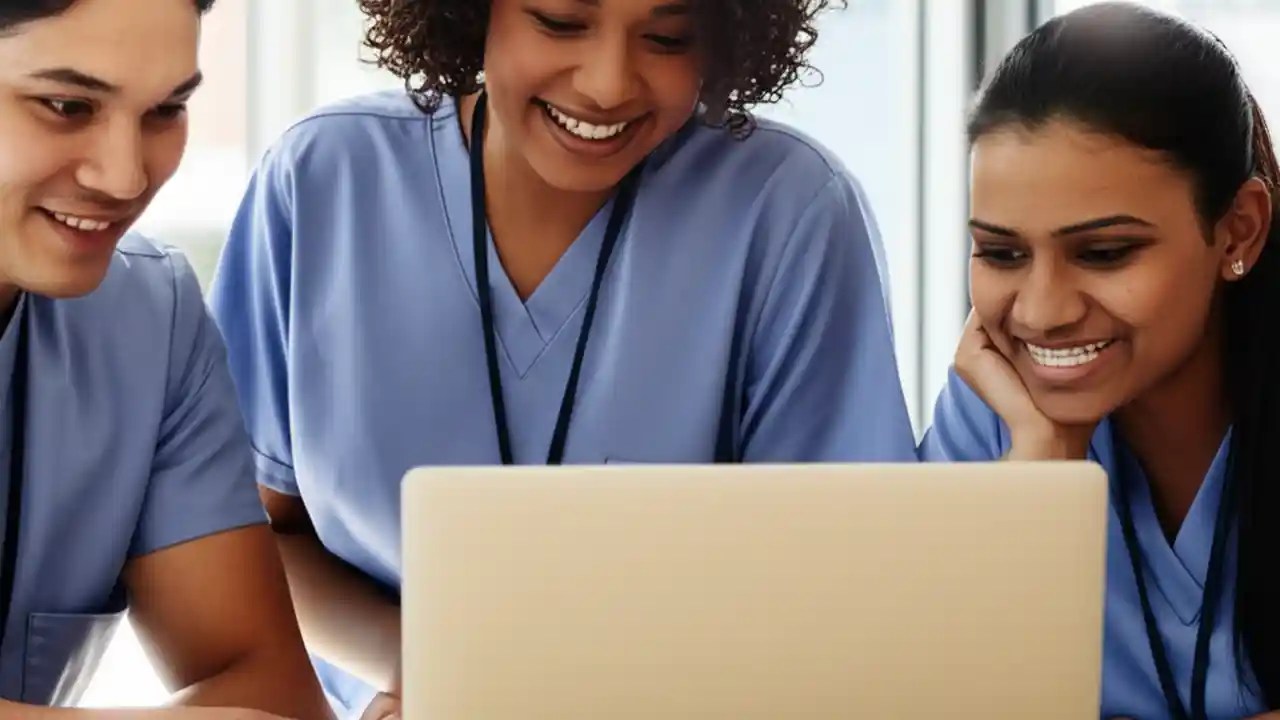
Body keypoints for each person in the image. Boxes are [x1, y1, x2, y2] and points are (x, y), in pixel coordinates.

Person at [209, 0, 917, 715]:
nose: (609, 84)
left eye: (667, 39)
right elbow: (244, 542)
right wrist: (429, 674)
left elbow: (838, 587)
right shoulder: (323, 181)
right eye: (559, 22)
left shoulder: (786, 210)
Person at [919, 3, 1280, 719]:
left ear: (1238, 229)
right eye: (1001, 252)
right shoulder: (994, 415)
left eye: (1105, 253)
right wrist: (1043, 470)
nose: (1042, 311)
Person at [0, 0, 332, 717]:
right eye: (65, 105)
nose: (125, 179)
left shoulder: (149, 320)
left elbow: (276, 696)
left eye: (165, 111)